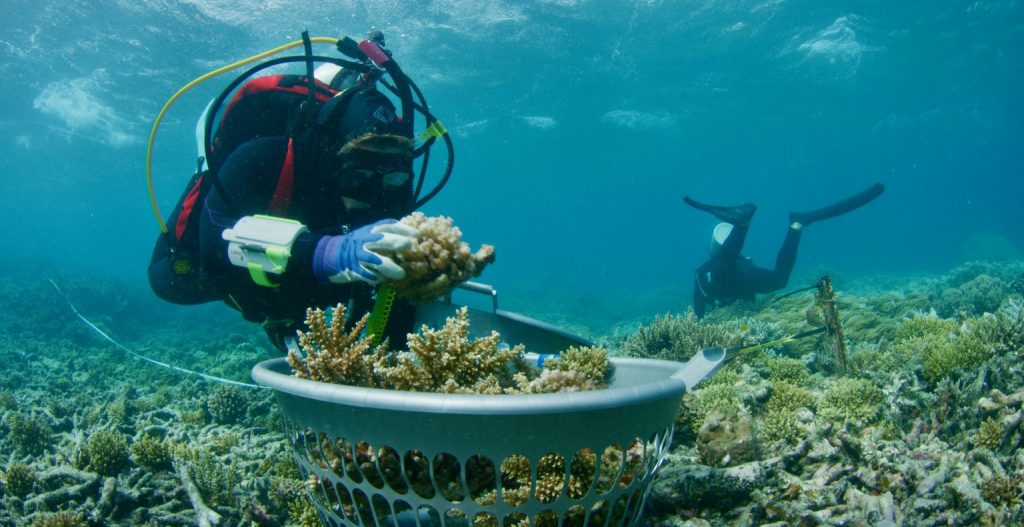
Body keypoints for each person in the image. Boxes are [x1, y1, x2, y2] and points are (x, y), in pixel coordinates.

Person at [148, 34, 450, 351]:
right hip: (221, 269)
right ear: (331, 156)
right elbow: (213, 243)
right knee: (172, 280)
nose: (375, 192)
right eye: (359, 177)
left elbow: (390, 288)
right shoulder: (263, 157)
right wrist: (323, 252)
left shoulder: (391, 187)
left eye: (393, 177)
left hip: (306, 281)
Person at [684, 183, 885, 318]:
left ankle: (744, 223)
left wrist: (701, 319)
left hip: (726, 277)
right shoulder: (739, 260)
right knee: (778, 278)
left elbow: (699, 310)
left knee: (725, 264)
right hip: (743, 275)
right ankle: (795, 226)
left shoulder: (703, 271)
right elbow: (740, 268)